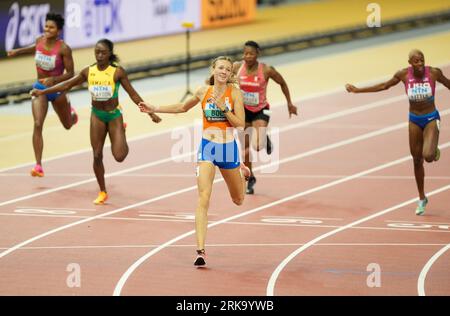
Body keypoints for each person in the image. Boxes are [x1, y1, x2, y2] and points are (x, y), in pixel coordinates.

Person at [138, 56, 251, 267]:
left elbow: (241, 124)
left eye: (227, 69)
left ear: (230, 74)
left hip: (227, 150)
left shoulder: (235, 93)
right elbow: (182, 107)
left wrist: (224, 108)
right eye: (220, 68)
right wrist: (154, 107)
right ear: (213, 69)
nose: (223, 71)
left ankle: (241, 173)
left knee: (238, 200)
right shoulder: (202, 91)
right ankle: (200, 250)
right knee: (203, 197)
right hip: (207, 148)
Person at [31, 38, 162, 204]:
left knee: (119, 156)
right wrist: (42, 92)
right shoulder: (88, 71)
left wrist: (150, 112)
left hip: (114, 116)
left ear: (110, 54)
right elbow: (66, 85)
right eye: (97, 52)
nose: (99, 55)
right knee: (97, 154)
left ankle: (122, 131)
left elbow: (133, 95)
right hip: (97, 116)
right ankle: (102, 191)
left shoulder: (117, 72)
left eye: (103, 52)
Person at [346, 49, 450, 215]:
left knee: (428, 156)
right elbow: (384, 86)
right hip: (414, 120)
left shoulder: (434, 73)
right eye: (416, 61)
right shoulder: (403, 75)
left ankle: (433, 149)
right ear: (410, 63)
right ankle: (422, 198)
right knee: (416, 160)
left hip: (431, 117)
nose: (420, 64)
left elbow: (448, 84)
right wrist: (358, 90)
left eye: (422, 60)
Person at [7, 12, 78, 177]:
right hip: (39, 88)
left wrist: (54, 79)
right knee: (38, 124)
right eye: (46, 26)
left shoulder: (64, 48)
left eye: (51, 27)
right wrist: (17, 52)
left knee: (67, 125)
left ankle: (72, 115)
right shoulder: (40, 40)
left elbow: (71, 73)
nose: (47, 29)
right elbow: (35, 47)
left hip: (57, 90)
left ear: (58, 31)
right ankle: (38, 165)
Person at [233, 40, 298, 194]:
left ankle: (265, 138)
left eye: (251, 53)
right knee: (246, 149)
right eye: (245, 53)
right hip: (242, 112)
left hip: (260, 110)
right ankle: (250, 179)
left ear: (257, 54)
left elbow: (282, 83)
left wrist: (289, 103)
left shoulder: (267, 70)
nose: (247, 56)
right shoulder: (237, 67)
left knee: (257, 145)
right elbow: (221, 77)